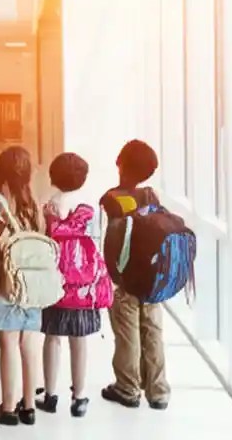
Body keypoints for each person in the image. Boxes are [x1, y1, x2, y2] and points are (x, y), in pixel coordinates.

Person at [0, 146, 45, 426]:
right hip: (33, 281)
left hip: (5, 281)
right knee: (30, 343)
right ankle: (29, 407)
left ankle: (7, 408)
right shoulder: (34, 202)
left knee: (8, 343)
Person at [99, 139, 170, 410]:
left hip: (128, 280)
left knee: (128, 334)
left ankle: (127, 388)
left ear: (120, 163)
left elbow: (111, 243)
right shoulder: (151, 195)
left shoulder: (112, 198)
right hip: (153, 279)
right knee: (153, 331)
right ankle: (158, 390)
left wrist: (112, 276)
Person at [37, 152, 109, 418]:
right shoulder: (88, 208)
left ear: (53, 176)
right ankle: (79, 398)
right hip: (83, 286)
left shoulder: (50, 206)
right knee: (79, 341)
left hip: (56, 284)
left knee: (52, 339)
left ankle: (50, 395)